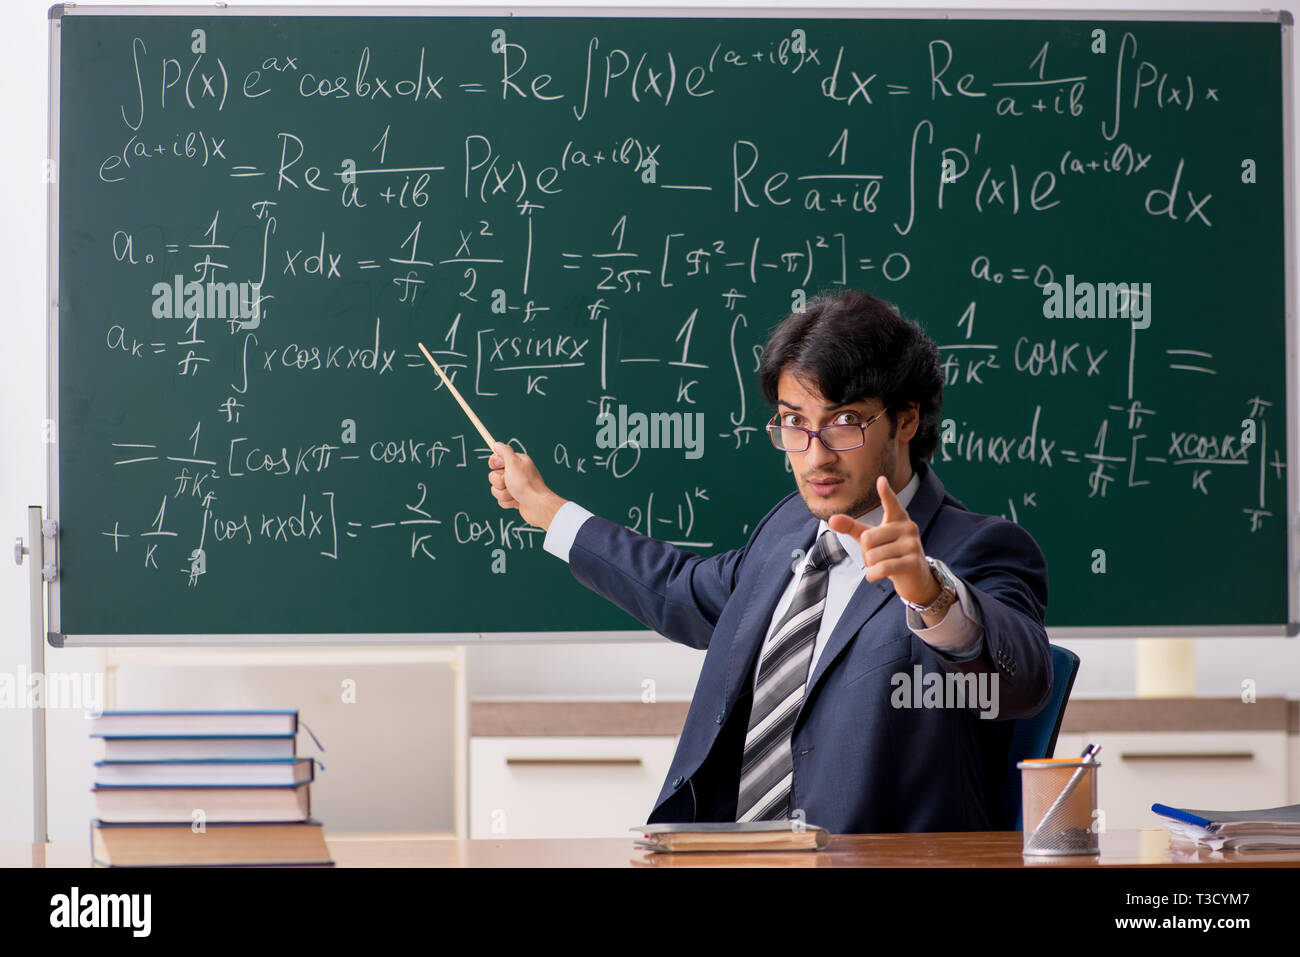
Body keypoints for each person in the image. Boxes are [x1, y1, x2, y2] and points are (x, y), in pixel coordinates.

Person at [486, 289, 1052, 832]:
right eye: (794, 423)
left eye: (845, 422)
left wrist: (929, 593)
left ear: (906, 419)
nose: (816, 455)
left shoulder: (978, 549)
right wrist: (548, 510)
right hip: (729, 851)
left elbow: (1021, 683)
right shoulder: (790, 528)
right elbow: (681, 590)